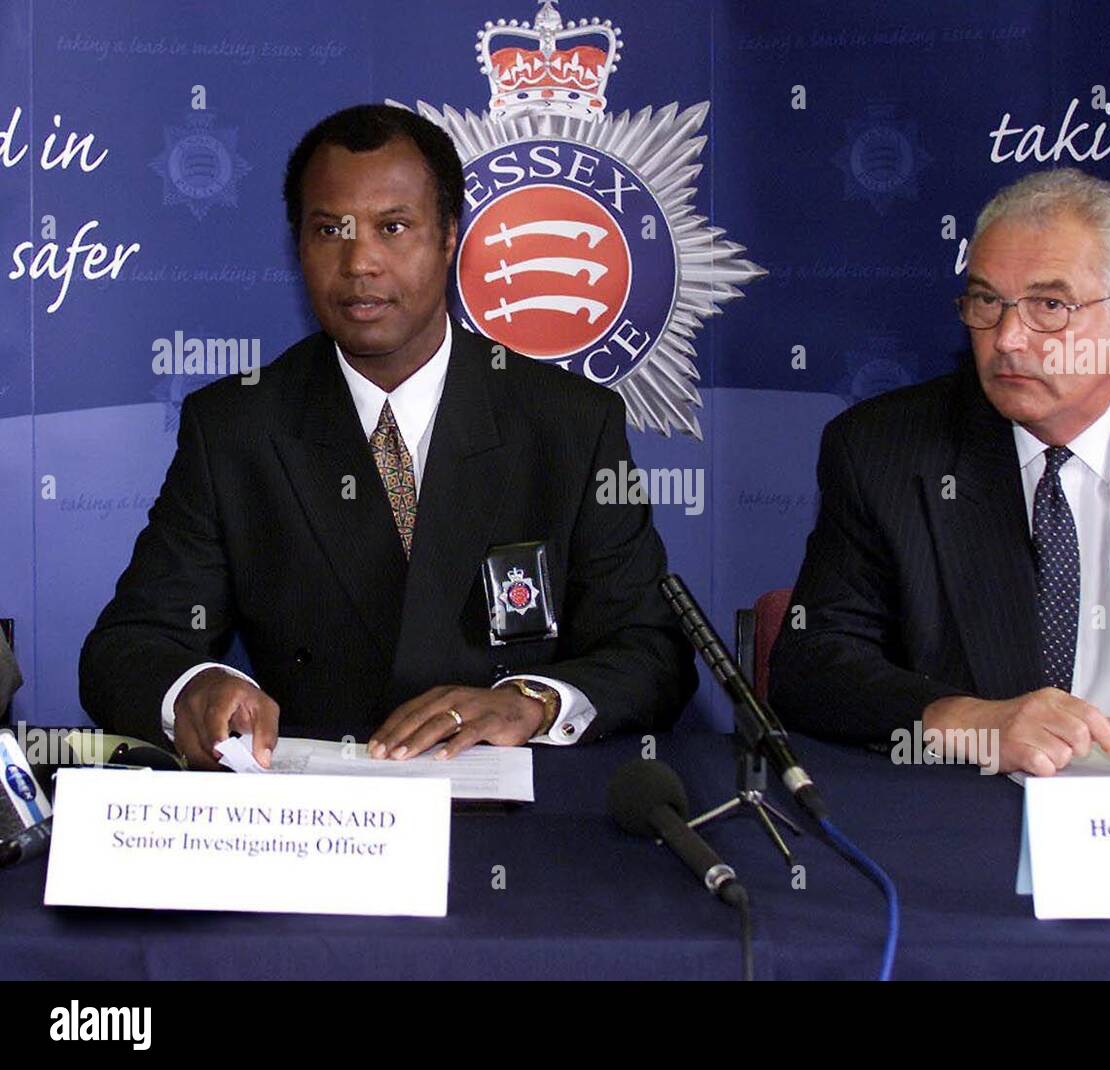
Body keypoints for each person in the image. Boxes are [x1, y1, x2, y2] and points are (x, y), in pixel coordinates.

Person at [81, 104, 696, 771]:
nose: (360, 262)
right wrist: (193, 688)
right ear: (298, 245)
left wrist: (533, 702)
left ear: (449, 236)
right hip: (315, 835)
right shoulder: (236, 427)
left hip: (518, 830)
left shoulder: (569, 423)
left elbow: (651, 651)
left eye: (393, 227)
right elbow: (129, 647)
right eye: (329, 231)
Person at [769, 167, 1110, 777]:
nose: (1009, 339)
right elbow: (813, 661)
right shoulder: (883, 449)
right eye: (987, 301)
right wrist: (972, 720)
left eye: (1050, 305)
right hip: (976, 815)